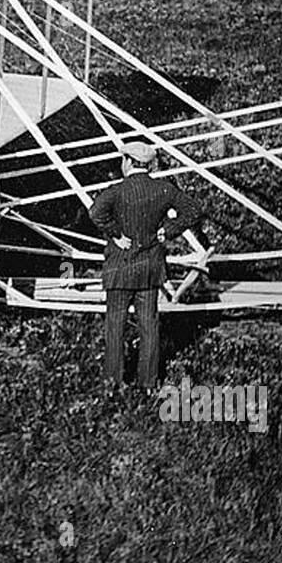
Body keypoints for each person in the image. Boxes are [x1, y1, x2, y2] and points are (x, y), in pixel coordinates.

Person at [88, 140, 202, 391]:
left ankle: (112, 383)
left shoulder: (116, 191)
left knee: (115, 326)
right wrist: (168, 231)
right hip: (150, 268)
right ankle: (148, 383)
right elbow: (193, 210)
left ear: (127, 162)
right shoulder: (163, 189)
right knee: (149, 326)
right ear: (148, 164)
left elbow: (95, 213)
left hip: (120, 268)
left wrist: (115, 234)